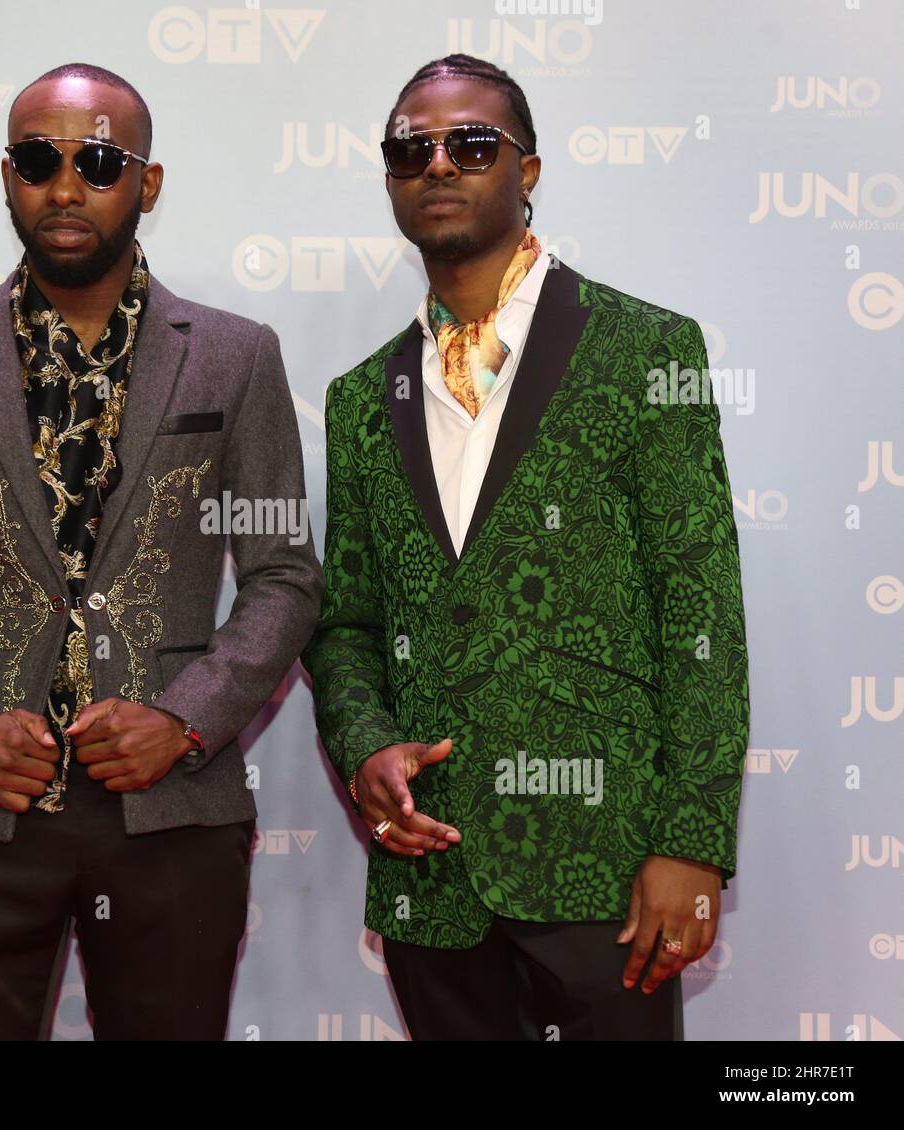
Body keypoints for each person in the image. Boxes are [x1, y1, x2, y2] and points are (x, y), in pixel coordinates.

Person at [0, 63, 322, 1040]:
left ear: (147, 182)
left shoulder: (234, 355)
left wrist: (183, 720)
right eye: (36, 161)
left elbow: (284, 578)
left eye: (96, 162)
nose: (63, 188)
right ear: (6, 176)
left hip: (171, 807)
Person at [301, 54, 749, 1040]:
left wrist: (692, 840)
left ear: (528, 169)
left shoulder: (646, 349)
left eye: (471, 144)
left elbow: (700, 609)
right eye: (409, 150)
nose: (437, 165)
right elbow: (346, 625)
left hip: (609, 866)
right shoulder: (362, 397)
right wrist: (364, 743)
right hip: (433, 878)